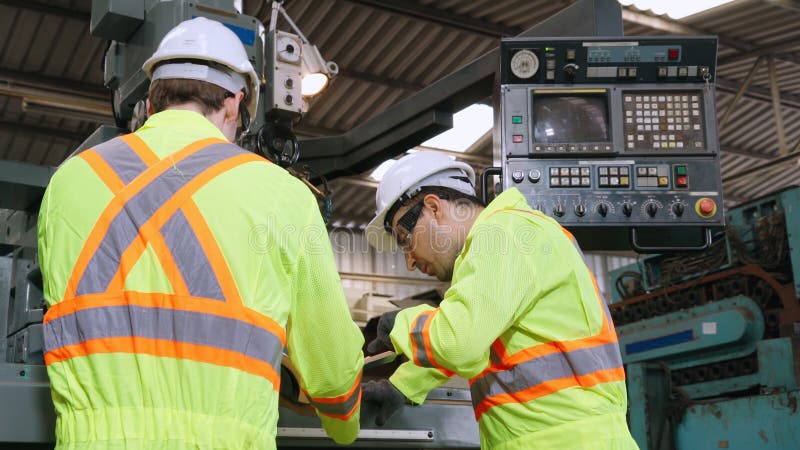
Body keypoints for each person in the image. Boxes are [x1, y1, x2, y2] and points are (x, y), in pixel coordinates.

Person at [37, 17, 363, 449]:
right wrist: (344, 424)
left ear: (151, 104)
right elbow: (335, 373)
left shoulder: (69, 182)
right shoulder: (284, 196)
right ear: (234, 105)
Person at [361, 151, 638, 449]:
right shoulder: (503, 240)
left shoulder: (505, 235)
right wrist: (403, 386)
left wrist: (401, 324)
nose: (409, 262)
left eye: (405, 238)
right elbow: (480, 342)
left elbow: (460, 342)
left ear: (432, 207)